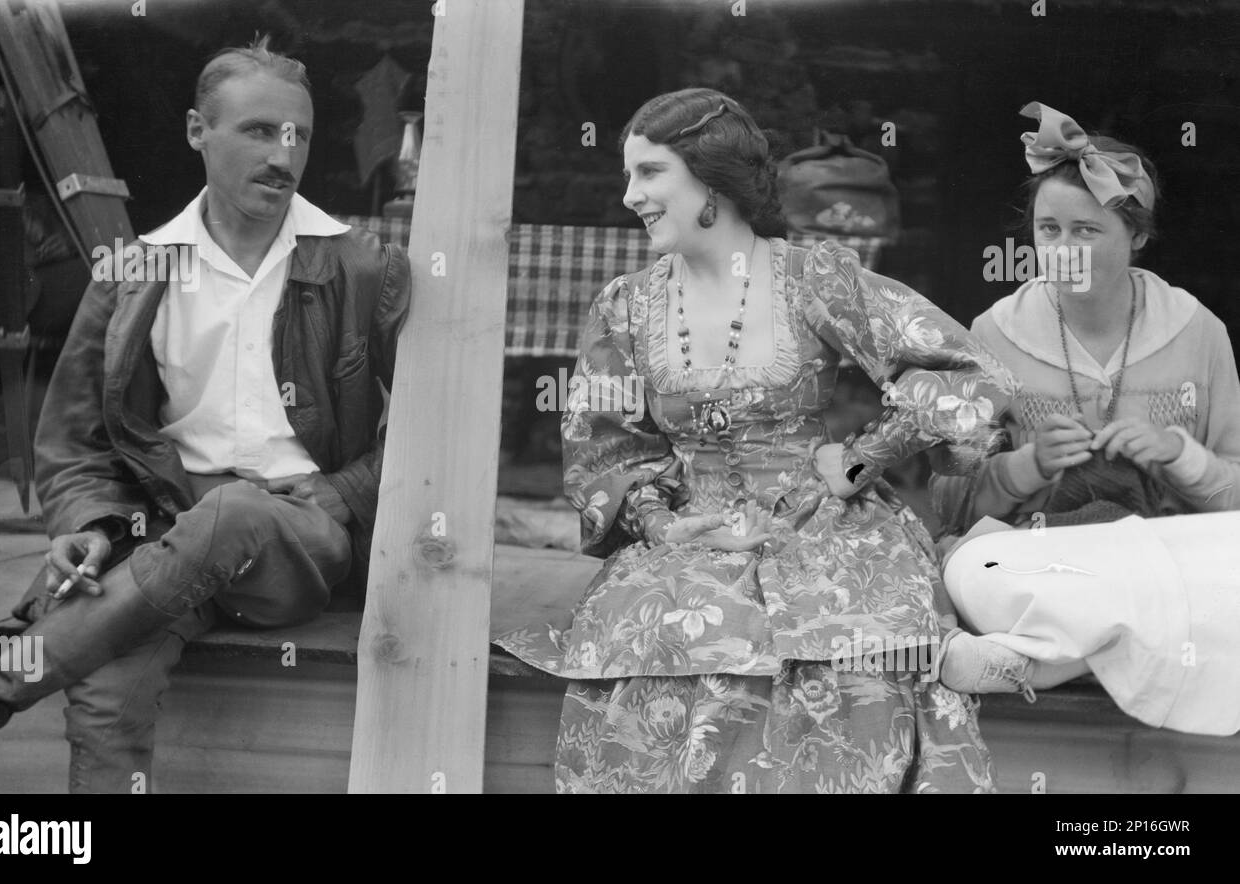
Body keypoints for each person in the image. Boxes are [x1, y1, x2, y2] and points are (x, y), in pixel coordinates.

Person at [493, 88, 1018, 792]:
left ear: (711, 176)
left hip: (823, 520)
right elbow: (604, 446)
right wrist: (661, 522)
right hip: (691, 531)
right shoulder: (626, 305)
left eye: (650, 173)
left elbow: (968, 373)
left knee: (850, 645)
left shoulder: (814, 279)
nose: (629, 195)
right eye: (628, 175)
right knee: (666, 641)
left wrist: (866, 458)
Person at [0, 36, 410, 791]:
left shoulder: (360, 265)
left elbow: (435, 435)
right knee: (105, 687)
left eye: (299, 135)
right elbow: (74, 442)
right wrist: (89, 528)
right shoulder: (136, 273)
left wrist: (348, 490)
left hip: (296, 542)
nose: (283, 156)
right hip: (163, 535)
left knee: (234, 511)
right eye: (259, 130)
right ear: (198, 131)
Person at [931, 103, 1240, 734]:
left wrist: (1181, 456)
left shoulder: (1197, 330)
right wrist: (1027, 465)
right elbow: (951, 502)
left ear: (1139, 236)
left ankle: (1038, 661)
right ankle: (1119, 645)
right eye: (1049, 231)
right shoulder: (993, 333)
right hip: (1046, 560)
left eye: (1087, 231)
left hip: (1167, 557)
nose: (1063, 250)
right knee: (970, 566)